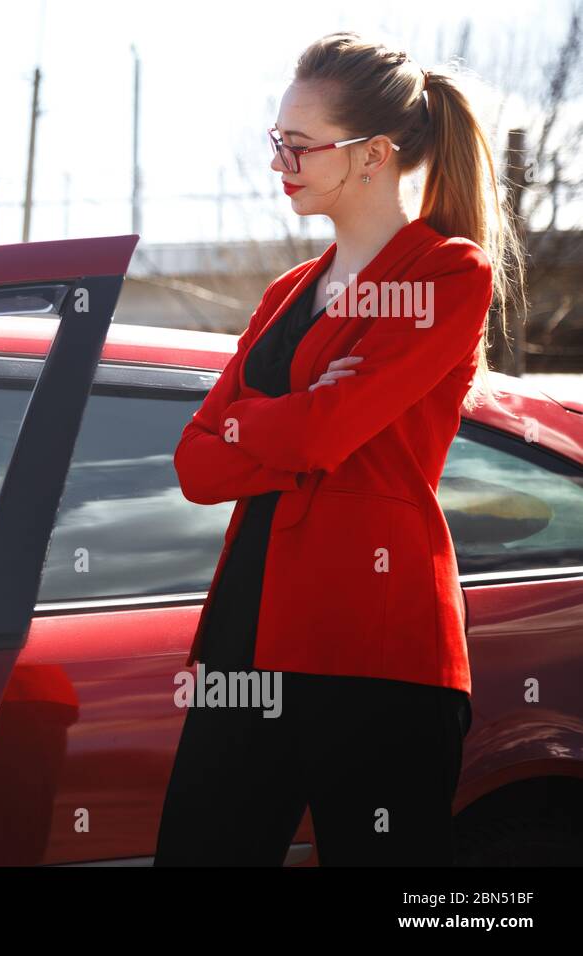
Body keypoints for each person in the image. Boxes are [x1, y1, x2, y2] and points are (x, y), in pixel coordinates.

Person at [155, 32, 524, 867]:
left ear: (373, 155)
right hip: (245, 638)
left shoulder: (446, 275)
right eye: (277, 140)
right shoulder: (287, 293)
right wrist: (303, 412)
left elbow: (323, 436)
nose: (278, 161)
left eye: (300, 144)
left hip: (374, 647)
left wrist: (268, 421)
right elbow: (194, 464)